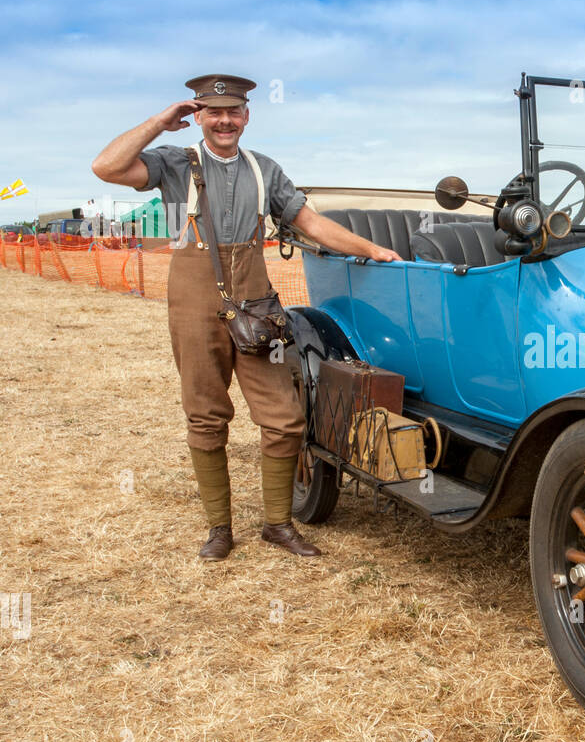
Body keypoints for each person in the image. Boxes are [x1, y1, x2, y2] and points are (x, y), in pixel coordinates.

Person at [92, 74, 402, 561]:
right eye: (213, 112)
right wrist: (158, 122)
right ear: (198, 117)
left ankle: (277, 524)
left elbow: (311, 224)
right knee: (205, 414)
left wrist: (374, 251)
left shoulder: (265, 170)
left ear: (247, 116)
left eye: (233, 111)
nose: (224, 121)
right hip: (194, 300)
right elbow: (106, 167)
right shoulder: (176, 163)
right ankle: (219, 528)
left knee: (284, 417)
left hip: (257, 304)